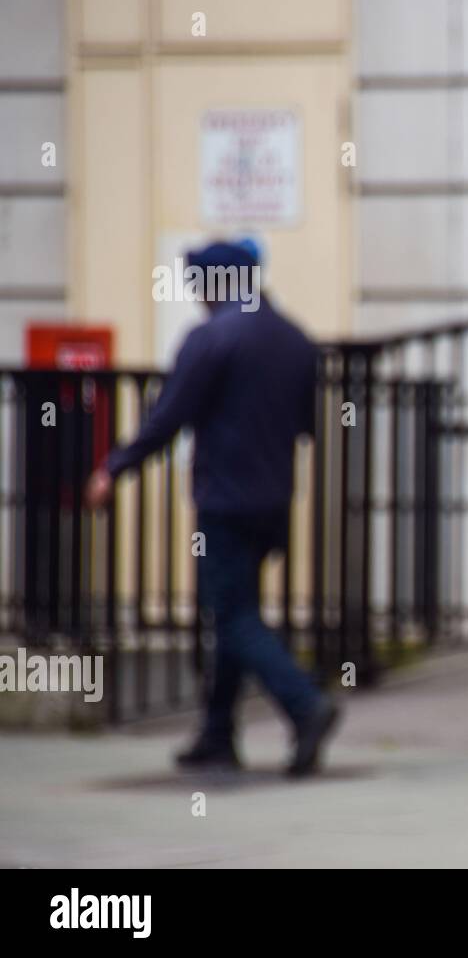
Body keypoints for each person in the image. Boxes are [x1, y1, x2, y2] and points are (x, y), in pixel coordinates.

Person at [85, 240, 340, 777]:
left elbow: (167, 418)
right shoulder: (294, 339)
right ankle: (218, 733)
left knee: (233, 616)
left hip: (225, 499)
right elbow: (305, 426)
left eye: (198, 283)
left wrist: (114, 467)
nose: (196, 294)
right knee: (234, 610)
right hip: (274, 498)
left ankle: (304, 705)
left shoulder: (211, 338)